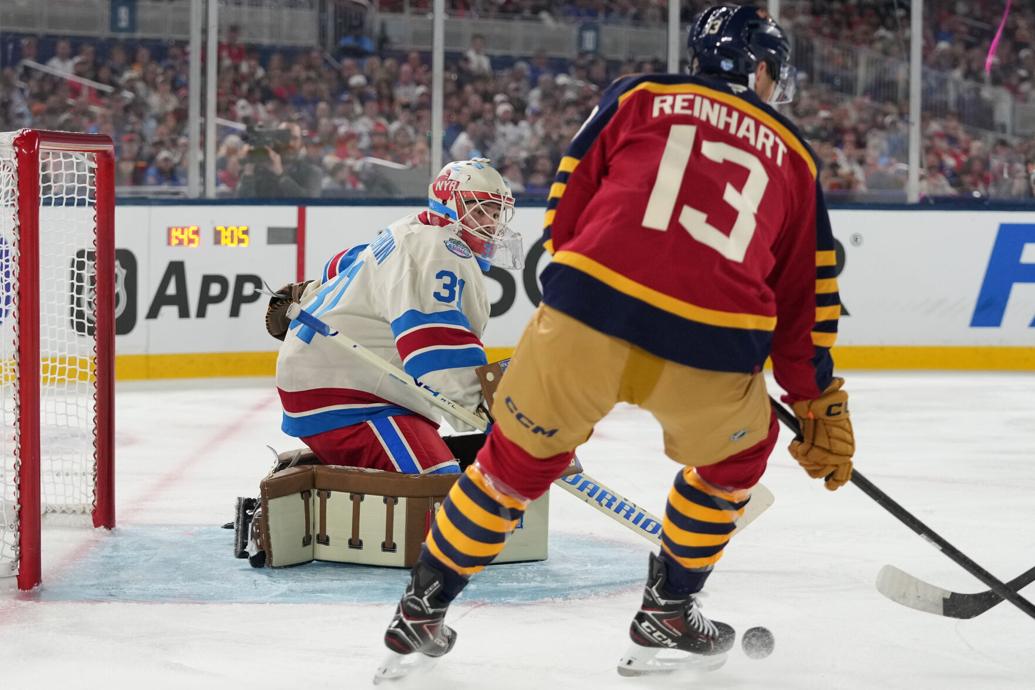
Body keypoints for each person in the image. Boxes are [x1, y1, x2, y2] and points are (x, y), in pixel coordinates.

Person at [379, 4, 856, 679]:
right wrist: (812, 398)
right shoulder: (794, 155)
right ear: (759, 68)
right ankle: (668, 607)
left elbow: (569, 199)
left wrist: (578, 287)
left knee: (507, 469)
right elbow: (806, 295)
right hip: (709, 341)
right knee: (735, 461)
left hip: (585, 309)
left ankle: (421, 611)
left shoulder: (638, 94)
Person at [270, 158, 523, 475]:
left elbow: (344, 265)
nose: (491, 223)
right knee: (439, 493)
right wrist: (486, 410)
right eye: (480, 209)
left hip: (332, 383)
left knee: (446, 480)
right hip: (351, 398)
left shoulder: (409, 230)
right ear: (447, 206)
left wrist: (313, 294)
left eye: (497, 213)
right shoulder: (440, 249)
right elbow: (433, 344)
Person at [237, 122, 322, 199]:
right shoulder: (258, 170)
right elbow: (242, 209)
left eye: (294, 138)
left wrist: (281, 175)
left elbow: (310, 204)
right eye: (283, 138)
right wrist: (249, 172)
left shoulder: (312, 172)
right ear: (274, 140)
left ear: (301, 143)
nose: (290, 143)